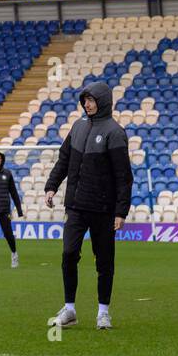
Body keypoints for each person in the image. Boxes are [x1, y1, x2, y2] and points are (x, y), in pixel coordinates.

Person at [45, 81, 133, 331]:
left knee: (104, 262)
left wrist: (120, 211)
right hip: (75, 206)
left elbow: (124, 176)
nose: (87, 104)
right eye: (85, 100)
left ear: (103, 101)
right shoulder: (78, 126)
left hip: (103, 210)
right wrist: (51, 186)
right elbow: (64, 159)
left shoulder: (115, 132)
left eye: (92, 100)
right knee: (68, 253)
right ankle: (69, 309)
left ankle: (103, 312)